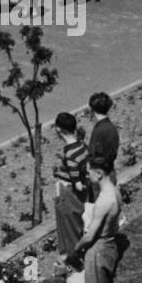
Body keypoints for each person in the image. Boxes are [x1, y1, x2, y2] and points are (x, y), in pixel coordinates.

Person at [68, 157, 123, 283]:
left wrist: (75, 249)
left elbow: (90, 235)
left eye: (89, 171)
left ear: (99, 173)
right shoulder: (115, 192)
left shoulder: (104, 200)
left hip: (98, 249)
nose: (87, 175)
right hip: (110, 245)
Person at [52, 111, 90, 260]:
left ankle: (73, 260)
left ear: (59, 130)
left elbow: (78, 185)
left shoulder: (70, 155)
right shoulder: (82, 146)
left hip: (70, 197)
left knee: (69, 231)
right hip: (81, 197)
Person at [86, 91, 120, 172]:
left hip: (101, 174)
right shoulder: (111, 127)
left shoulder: (99, 131)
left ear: (92, 110)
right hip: (110, 169)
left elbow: (96, 156)